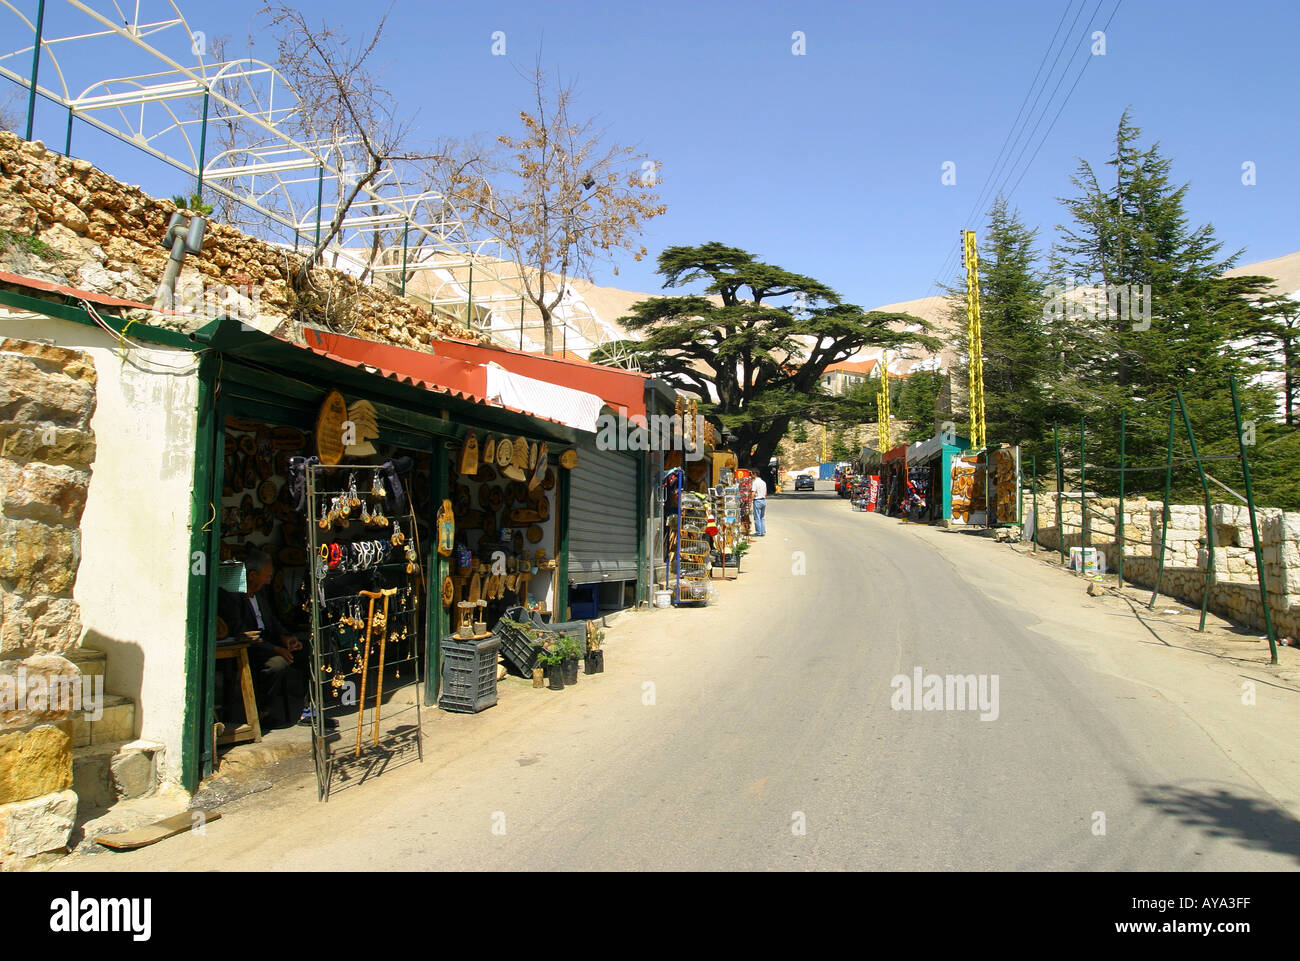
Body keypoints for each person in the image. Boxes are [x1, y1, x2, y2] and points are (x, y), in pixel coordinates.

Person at [217, 550, 328, 729]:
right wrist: (276, 649)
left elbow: (272, 622)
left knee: (308, 651)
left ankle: (307, 708)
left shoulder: (261, 593)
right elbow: (241, 633)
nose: (270, 580)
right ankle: (263, 713)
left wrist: (286, 638)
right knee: (276, 664)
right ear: (252, 576)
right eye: (267, 576)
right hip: (251, 647)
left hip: (269, 641)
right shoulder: (233, 596)